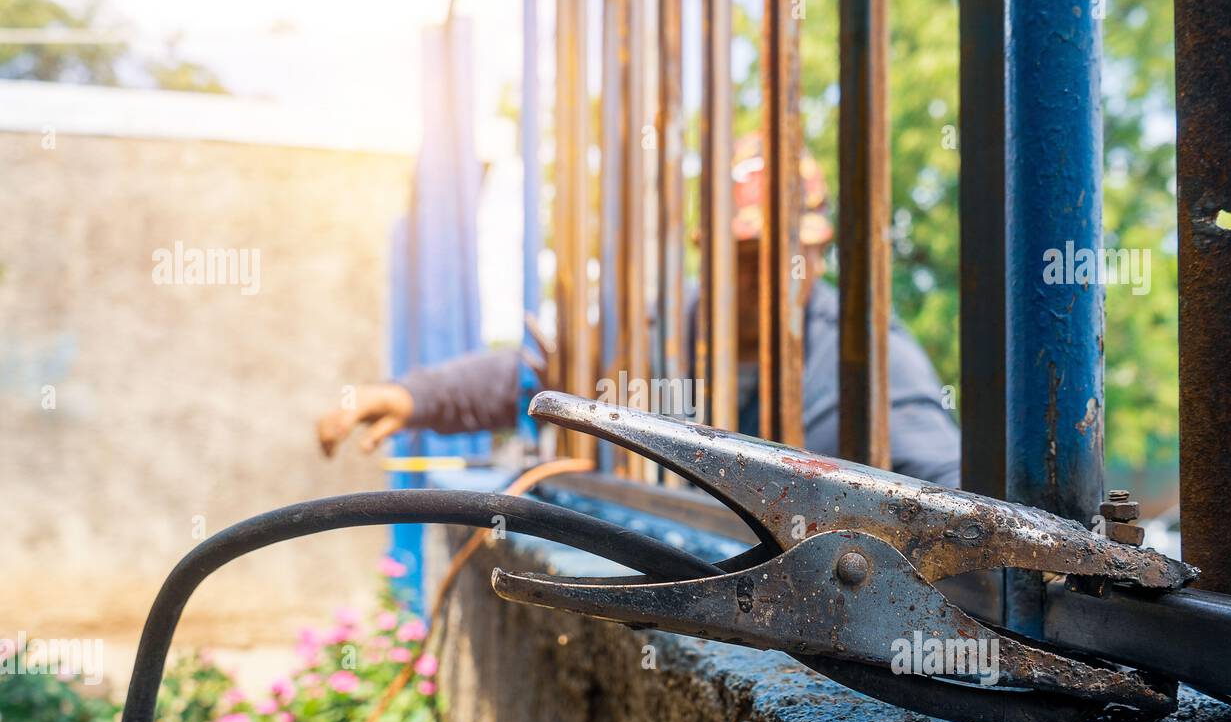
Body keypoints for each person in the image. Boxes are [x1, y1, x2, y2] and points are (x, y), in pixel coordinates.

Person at [318, 134, 961, 487]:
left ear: (816, 253)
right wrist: (410, 395)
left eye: (789, 255)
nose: (767, 280)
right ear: (703, 251)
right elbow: (542, 377)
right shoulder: (658, 329)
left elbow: (942, 479)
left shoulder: (865, 355)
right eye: (745, 257)